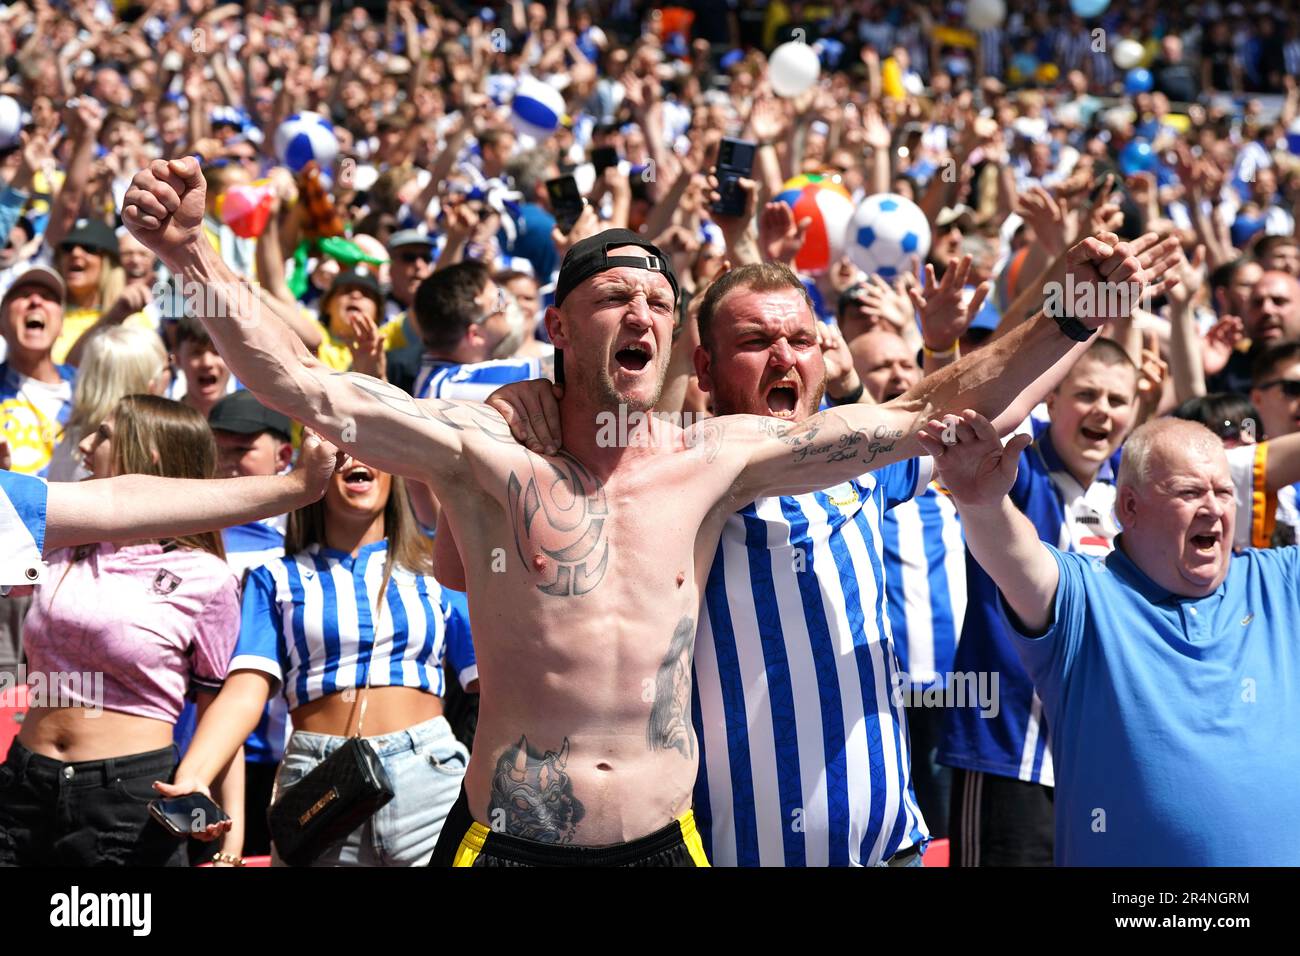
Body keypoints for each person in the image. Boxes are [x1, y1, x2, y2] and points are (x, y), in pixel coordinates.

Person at [123, 156, 1169, 866]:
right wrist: (190, 256)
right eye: (616, 299)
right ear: (558, 327)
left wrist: (1072, 312)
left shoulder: (715, 458)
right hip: (509, 840)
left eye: (661, 305)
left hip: (670, 840)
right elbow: (315, 391)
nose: (644, 315)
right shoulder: (484, 454)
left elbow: (922, 412)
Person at [918, 413, 1300, 865]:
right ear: (1130, 507)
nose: (1214, 508)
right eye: (1190, 492)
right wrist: (982, 502)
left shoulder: (1279, 581)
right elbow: (1015, 554)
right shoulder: (1086, 597)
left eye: (1223, 491)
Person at [0, 395, 330, 866]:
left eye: (105, 434)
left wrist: (230, 840)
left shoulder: (206, 576)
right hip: (25, 784)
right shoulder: (58, 549)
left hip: (127, 800)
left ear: (148, 456)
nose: (86, 446)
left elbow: (218, 706)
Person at [157, 459, 477, 867]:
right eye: (341, 449)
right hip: (318, 784)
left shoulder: (440, 570)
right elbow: (244, 692)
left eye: (369, 447)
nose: (356, 458)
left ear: (393, 467)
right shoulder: (272, 578)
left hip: (429, 777)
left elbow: (495, 687)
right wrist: (195, 773)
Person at [47, 324, 170, 482]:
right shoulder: (98, 463)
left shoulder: (71, 445)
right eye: (167, 367)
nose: (170, 375)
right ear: (148, 386)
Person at [410, 261, 547, 401]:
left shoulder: (437, 377)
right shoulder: (455, 386)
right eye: (498, 302)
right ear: (475, 335)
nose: (507, 303)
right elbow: (559, 368)